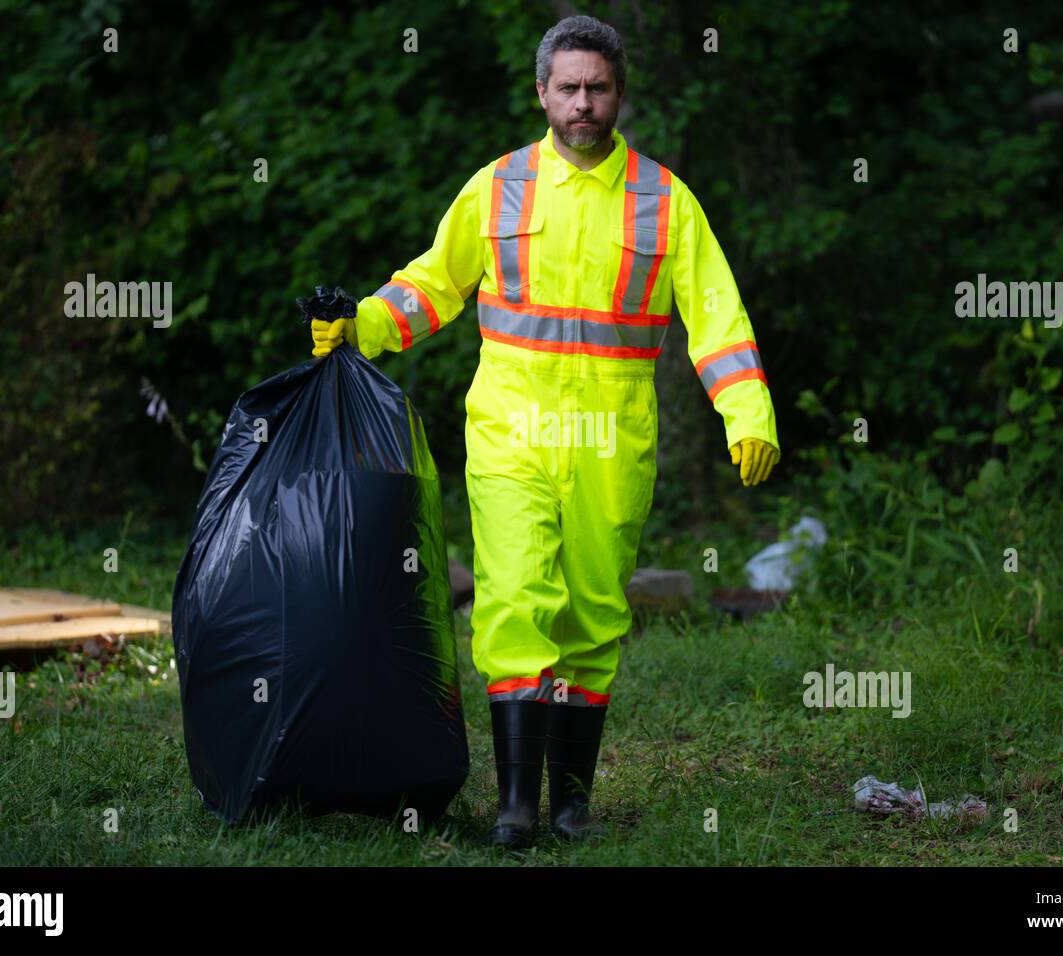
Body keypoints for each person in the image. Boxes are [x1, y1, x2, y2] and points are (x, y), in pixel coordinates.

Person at [310, 14, 779, 849]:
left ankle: (572, 808)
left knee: (594, 616)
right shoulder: (497, 187)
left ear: (621, 95)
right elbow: (434, 284)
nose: (584, 104)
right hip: (511, 431)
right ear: (542, 93)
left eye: (598, 88)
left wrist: (748, 412)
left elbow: (716, 316)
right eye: (569, 88)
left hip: (612, 441)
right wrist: (361, 325)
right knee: (515, 600)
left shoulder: (664, 201)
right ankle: (516, 808)